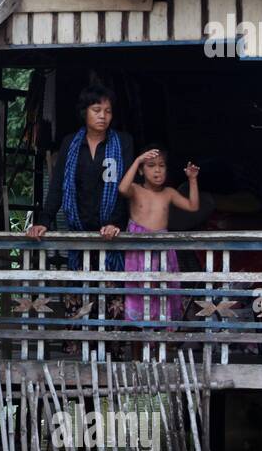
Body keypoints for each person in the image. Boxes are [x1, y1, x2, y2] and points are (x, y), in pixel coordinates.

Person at [27, 83, 133, 272]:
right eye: (97, 110)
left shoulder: (123, 142)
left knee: (111, 297)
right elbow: (58, 185)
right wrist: (44, 221)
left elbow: (128, 187)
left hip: (112, 234)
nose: (103, 116)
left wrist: (116, 223)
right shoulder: (70, 143)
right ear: (85, 112)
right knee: (79, 296)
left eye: (108, 111)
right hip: (79, 234)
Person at [117, 146, 200, 322]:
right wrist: (137, 160)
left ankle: (160, 341)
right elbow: (122, 189)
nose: (157, 170)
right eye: (151, 165)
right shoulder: (135, 189)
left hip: (162, 249)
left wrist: (192, 180)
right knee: (138, 290)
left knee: (162, 290)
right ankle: (138, 343)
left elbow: (193, 206)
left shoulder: (169, 193)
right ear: (141, 170)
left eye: (161, 165)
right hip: (138, 249)